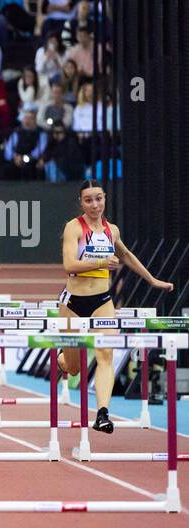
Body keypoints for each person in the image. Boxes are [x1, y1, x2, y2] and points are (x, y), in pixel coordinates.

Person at [56, 180, 174, 433]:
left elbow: (127, 255)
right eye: (88, 200)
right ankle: (61, 360)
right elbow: (69, 265)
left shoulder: (113, 231)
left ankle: (102, 414)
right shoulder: (73, 228)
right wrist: (100, 262)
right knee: (74, 368)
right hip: (73, 303)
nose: (94, 205)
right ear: (81, 203)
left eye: (98, 198)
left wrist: (152, 279)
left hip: (102, 301)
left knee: (105, 355)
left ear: (105, 199)